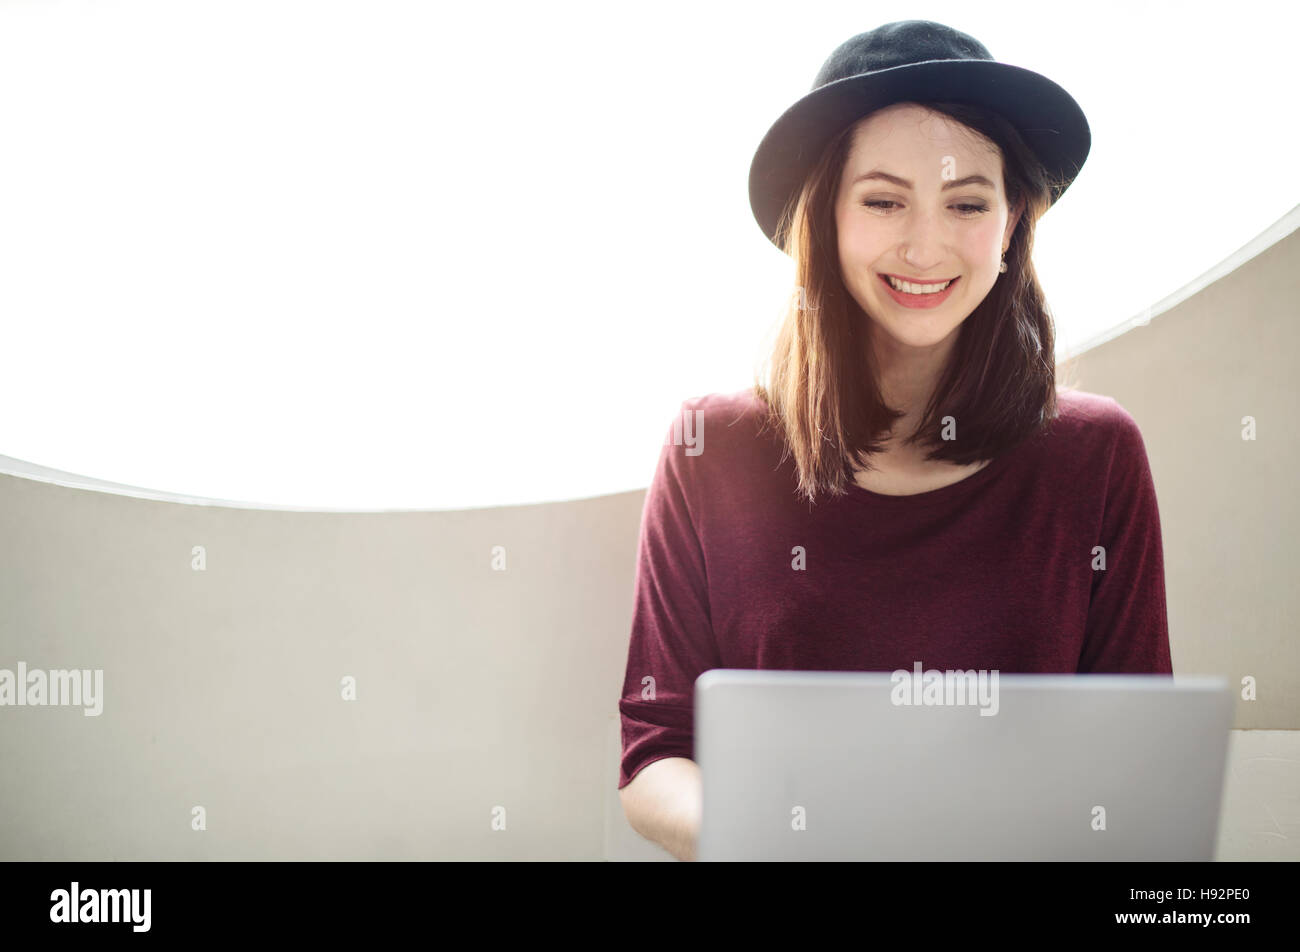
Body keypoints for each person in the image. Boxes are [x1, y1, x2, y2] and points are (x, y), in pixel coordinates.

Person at [617, 20, 1172, 861]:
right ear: (825, 215)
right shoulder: (711, 448)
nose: (925, 245)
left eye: (967, 203)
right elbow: (656, 753)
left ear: (1013, 221)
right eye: (883, 200)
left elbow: (1138, 754)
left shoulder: (1095, 454)